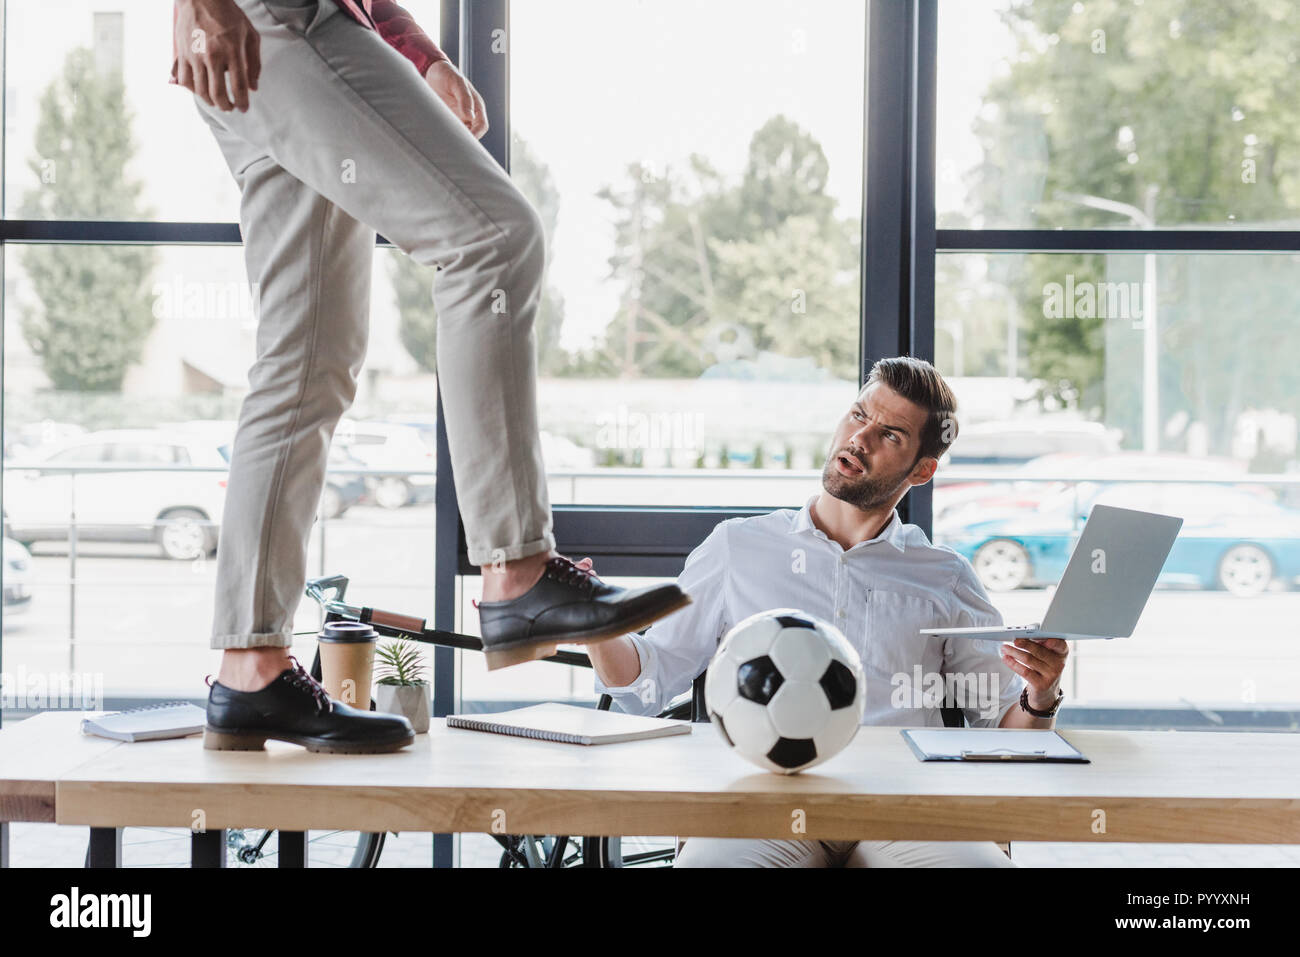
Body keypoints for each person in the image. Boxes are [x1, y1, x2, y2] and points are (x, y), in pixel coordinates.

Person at [172, 0, 689, 754]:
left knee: (305, 363)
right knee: (493, 240)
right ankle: (517, 571)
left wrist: (417, 51)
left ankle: (251, 667)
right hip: (275, 19)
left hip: (267, 34)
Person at [588, 355, 1070, 867]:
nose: (860, 439)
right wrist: (596, 621)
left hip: (907, 807)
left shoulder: (944, 576)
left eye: (891, 435)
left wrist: (1040, 695)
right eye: (859, 415)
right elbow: (645, 685)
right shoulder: (738, 548)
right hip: (763, 804)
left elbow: (1003, 739)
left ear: (923, 469)